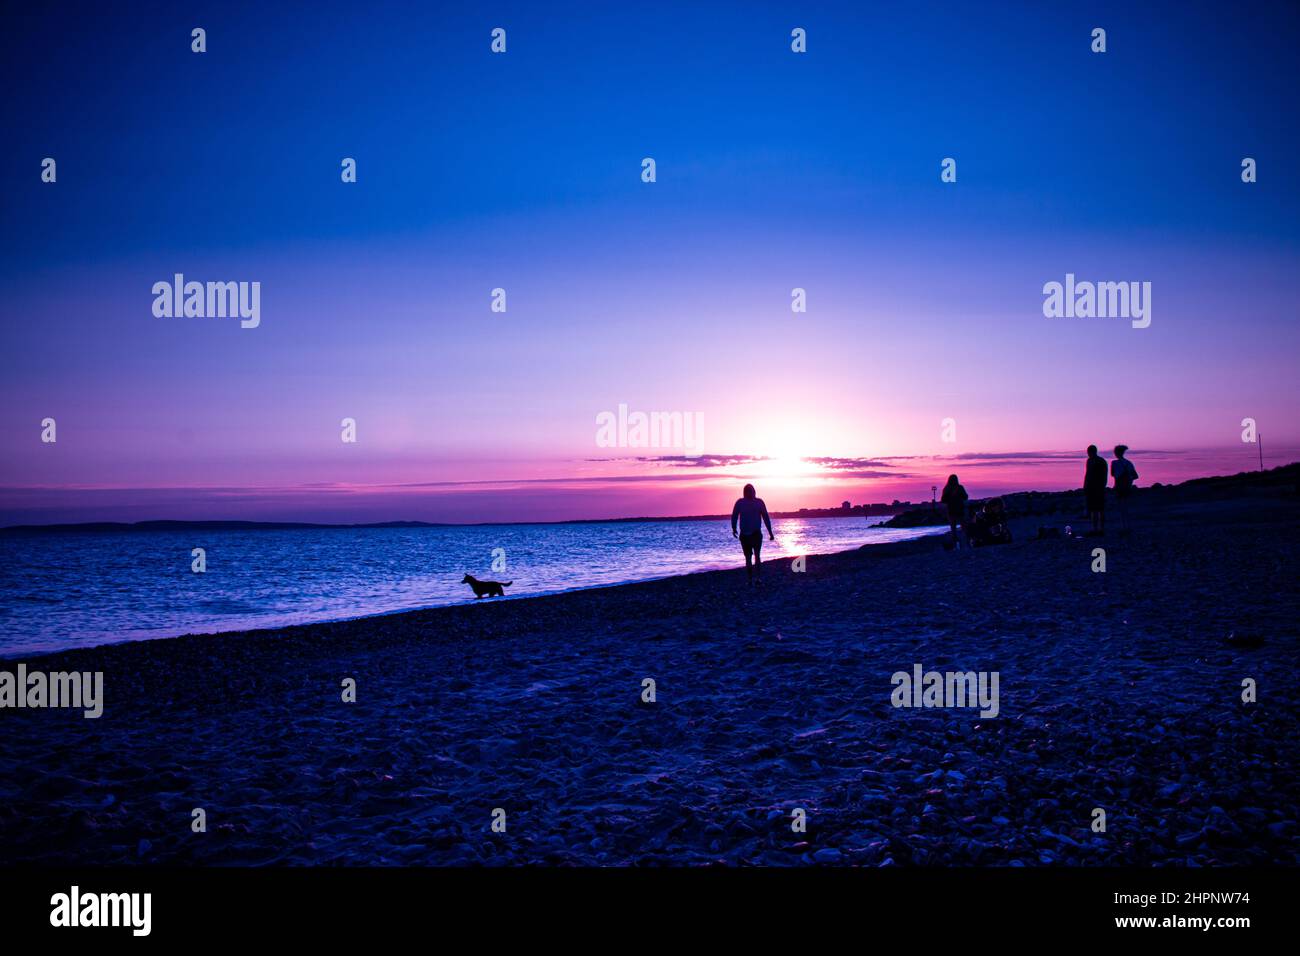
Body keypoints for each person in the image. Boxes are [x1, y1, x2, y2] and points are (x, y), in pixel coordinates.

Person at [730, 483, 774, 583]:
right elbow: (734, 516)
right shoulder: (740, 503)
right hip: (744, 535)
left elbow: (766, 517)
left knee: (757, 556)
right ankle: (750, 579)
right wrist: (733, 528)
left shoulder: (759, 502)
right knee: (748, 557)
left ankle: (758, 578)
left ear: (754, 492)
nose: (750, 493)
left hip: (756, 533)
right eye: (748, 491)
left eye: (751, 491)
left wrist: (770, 532)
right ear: (745, 493)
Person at [1111, 445, 1138, 533]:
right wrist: (1129, 483)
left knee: (1121, 508)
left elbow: (1113, 474)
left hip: (1118, 487)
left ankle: (1123, 527)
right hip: (1127, 487)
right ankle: (1128, 527)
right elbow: (1135, 476)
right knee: (1126, 507)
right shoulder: (1129, 463)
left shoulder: (1114, 463)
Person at [1084, 445, 1107, 535]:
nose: (1089, 454)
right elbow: (1087, 474)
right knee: (1094, 509)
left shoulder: (1100, 461)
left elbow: (1104, 475)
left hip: (1098, 488)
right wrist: (1085, 486)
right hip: (1092, 488)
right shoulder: (1089, 461)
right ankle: (1095, 529)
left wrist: (1102, 486)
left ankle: (1100, 529)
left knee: (1099, 509)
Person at [940, 474, 968, 548]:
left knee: (954, 528)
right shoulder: (959, 487)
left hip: (952, 510)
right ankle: (963, 542)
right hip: (959, 510)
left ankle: (956, 544)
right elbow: (965, 497)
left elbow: (943, 500)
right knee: (963, 527)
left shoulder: (947, 488)